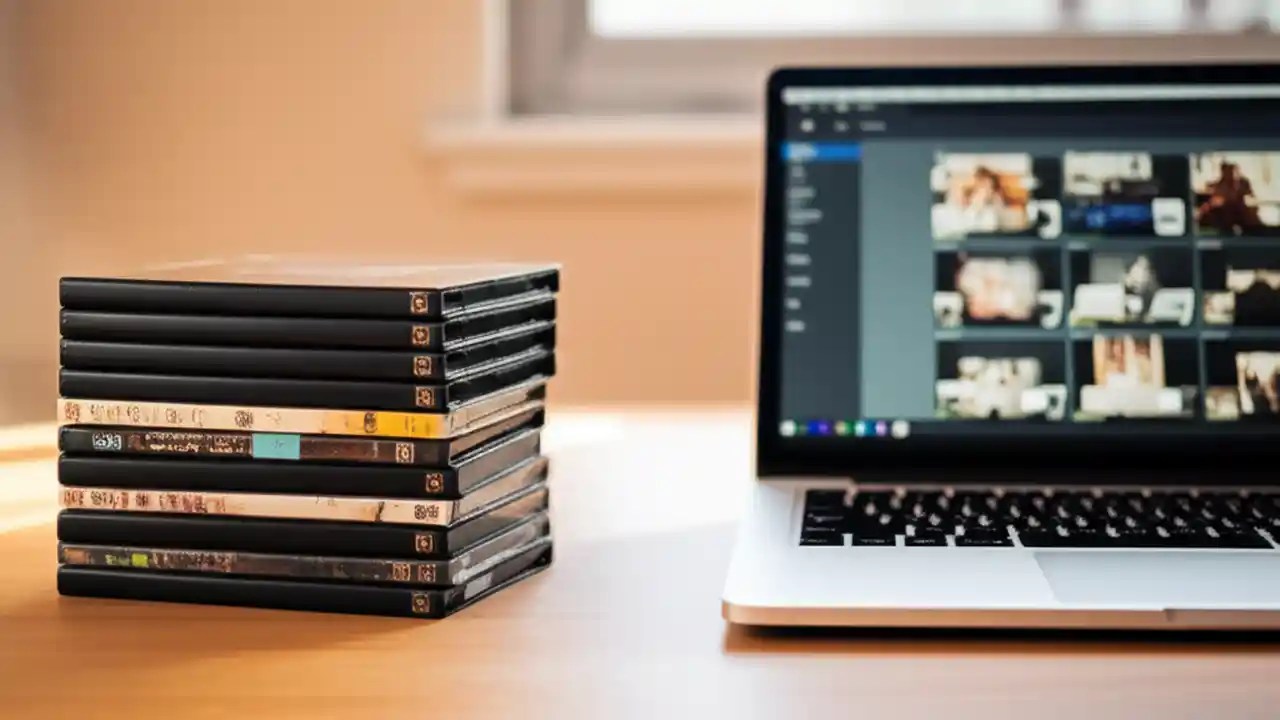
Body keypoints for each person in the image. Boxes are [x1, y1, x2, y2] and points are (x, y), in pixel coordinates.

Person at [1197, 160, 1262, 235]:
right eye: (1228, 172)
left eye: (1234, 171)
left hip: (1243, 213)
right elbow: (1214, 202)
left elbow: (1252, 197)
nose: (1232, 175)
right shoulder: (1221, 185)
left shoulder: (1244, 183)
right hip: (1226, 217)